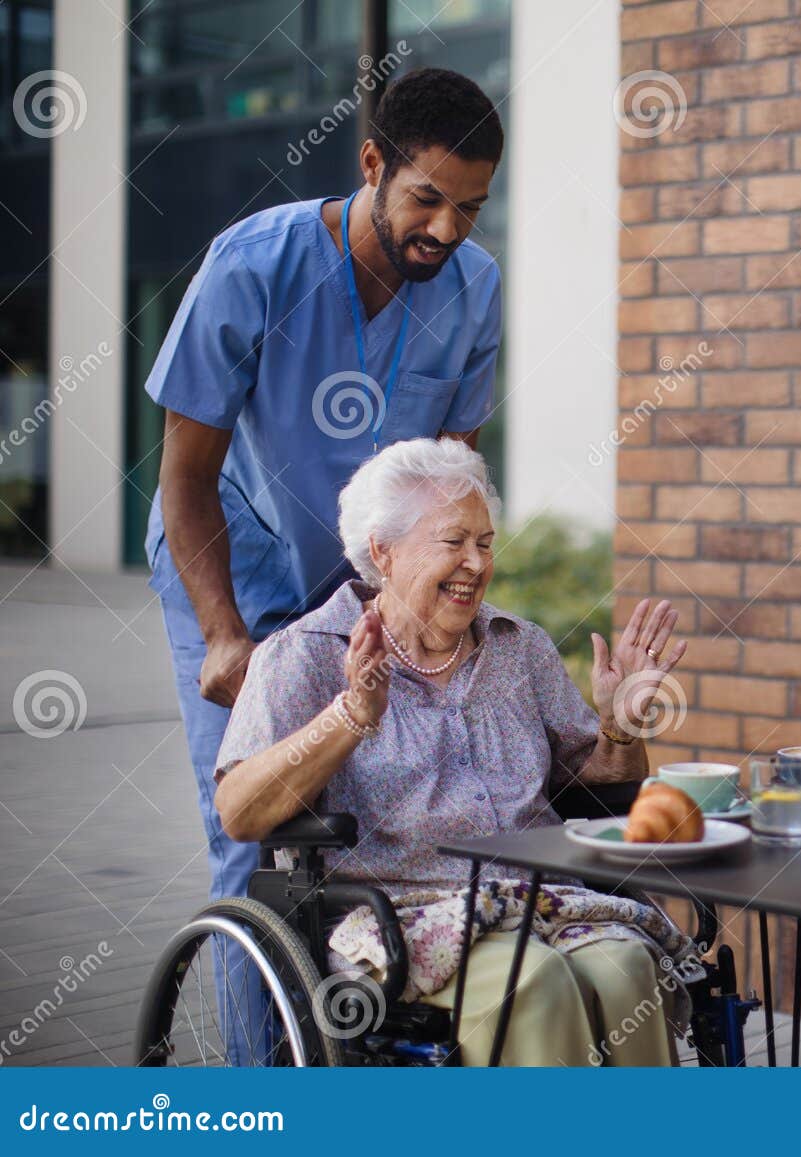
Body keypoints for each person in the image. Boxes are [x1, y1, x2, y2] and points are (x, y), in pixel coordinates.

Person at [144, 68, 504, 1063]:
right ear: (372, 164)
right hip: (238, 567)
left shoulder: (473, 289)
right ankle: (271, 1093)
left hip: (363, 579)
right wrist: (226, 636)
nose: (446, 229)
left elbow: (451, 480)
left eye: (470, 206)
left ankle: (363, 1054)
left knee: (384, 807)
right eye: (426, 198)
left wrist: (449, 620)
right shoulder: (254, 263)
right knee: (260, 827)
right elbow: (186, 477)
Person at [212, 438, 694, 1065]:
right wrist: (350, 716)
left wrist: (620, 727)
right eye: (453, 541)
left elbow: (598, 782)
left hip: (541, 895)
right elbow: (239, 811)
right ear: (383, 551)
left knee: (627, 967)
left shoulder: (519, 647)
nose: (476, 562)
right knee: (534, 982)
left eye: (486, 543)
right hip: (404, 911)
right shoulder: (305, 654)